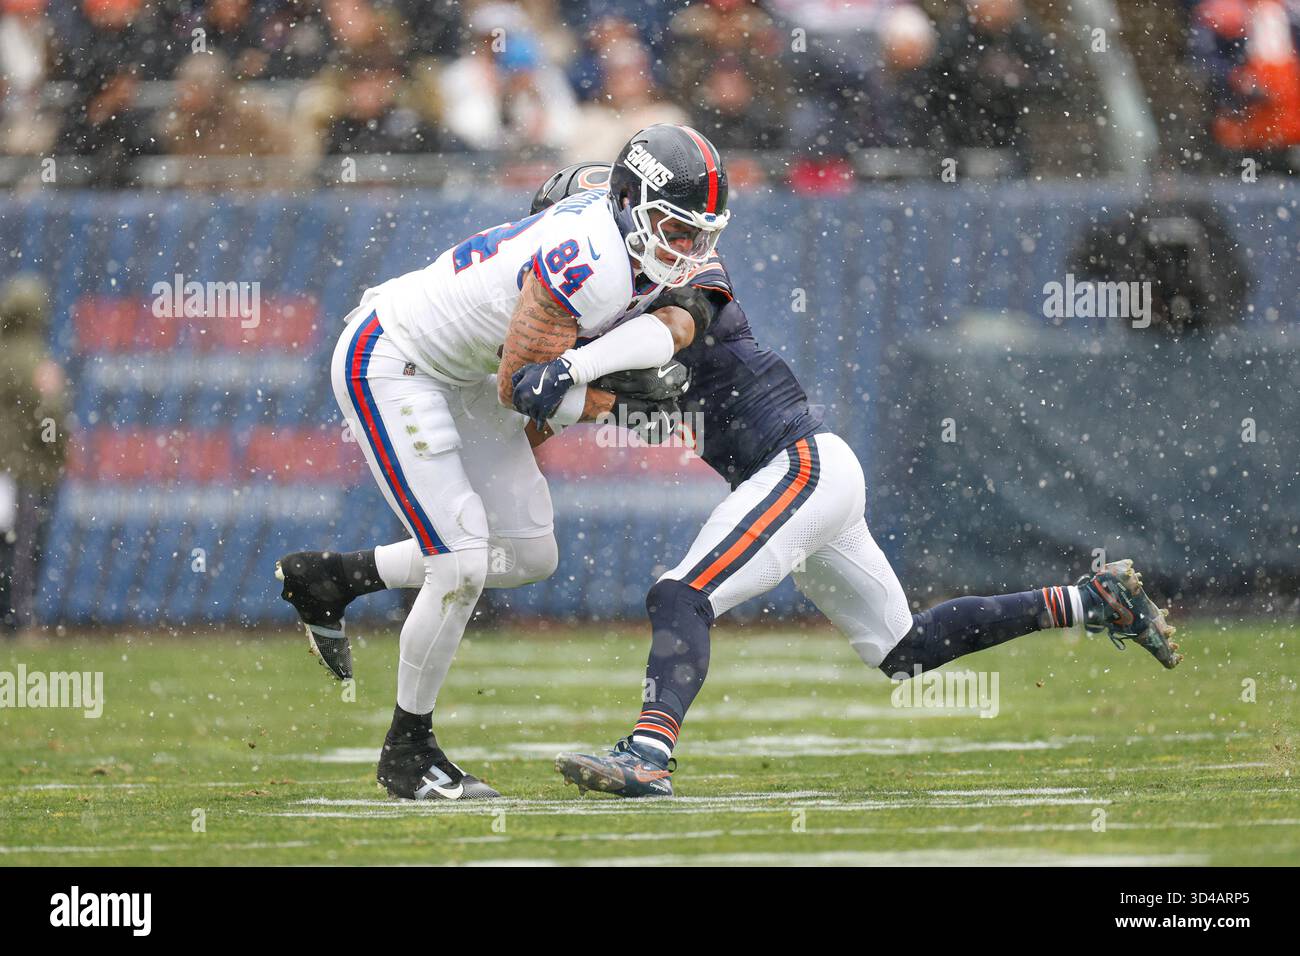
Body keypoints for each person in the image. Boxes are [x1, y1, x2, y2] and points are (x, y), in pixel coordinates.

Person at [275, 125, 731, 800]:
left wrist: (614, 382)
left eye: (699, 232)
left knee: (527, 554)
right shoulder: (592, 264)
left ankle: (332, 578)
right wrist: (616, 402)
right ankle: (409, 750)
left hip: (466, 374)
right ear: (631, 203)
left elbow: (677, 295)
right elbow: (524, 390)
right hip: (396, 361)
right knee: (460, 559)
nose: (686, 247)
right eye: (673, 227)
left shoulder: (617, 212)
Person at [0, 275, 67, 636]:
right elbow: (49, 415)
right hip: (25, 469)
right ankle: (20, 622)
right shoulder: (35, 361)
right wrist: (53, 451)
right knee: (24, 549)